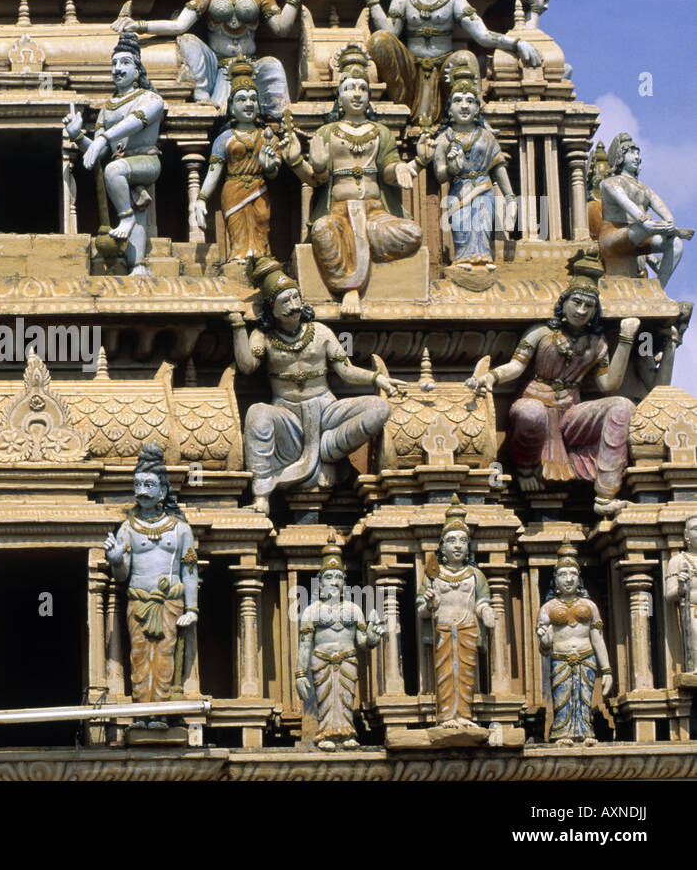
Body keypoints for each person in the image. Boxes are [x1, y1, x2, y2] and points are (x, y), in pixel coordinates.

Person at [468, 248, 637, 517]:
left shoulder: (597, 344)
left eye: (588, 306)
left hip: (571, 414)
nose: (581, 310)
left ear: (595, 311)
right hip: (535, 403)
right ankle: (524, 469)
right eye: (576, 303)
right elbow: (516, 366)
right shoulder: (541, 333)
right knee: (531, 413)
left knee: (622, 407)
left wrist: (627, 340)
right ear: (564, 302)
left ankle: (605, 496)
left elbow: (608, 386)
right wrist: (491, 376)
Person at [229, 260, 403, 516]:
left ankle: (327, 450)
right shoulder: (263, 337)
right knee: (256, 413)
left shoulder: (321, 332)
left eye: (295, 297)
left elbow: (346, 371)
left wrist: (378, 379)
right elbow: (246, 366)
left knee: (379, 408)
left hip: (326, 411)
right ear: (271, 310)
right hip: (287, 417)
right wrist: (237, 327)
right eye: (284, 302)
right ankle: (262, 494)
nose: (294, 306)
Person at [280, 44, 426, 316]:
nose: (356, 94)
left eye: (362, 88)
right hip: (337, 213)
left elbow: (389, 168)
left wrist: (411, 166)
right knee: (322, 231)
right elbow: (316, 179)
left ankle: (359, 242)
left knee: (412, 233)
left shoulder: (381, 132)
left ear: (370, 96)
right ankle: (349, 287)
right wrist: (296, 161)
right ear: (339, 95)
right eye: (350, 88)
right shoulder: (327, 132)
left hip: (374, 214)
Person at [115, 0, 300, 119]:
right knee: (188, 40)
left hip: (251, 66)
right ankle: (202, 94)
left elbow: (281, 29)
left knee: (273, 65)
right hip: (219, 67)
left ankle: (283, 122)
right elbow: (179, 26)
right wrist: (139, 26)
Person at [362, 0, 541, 128]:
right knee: (379, 40)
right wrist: (373, 2)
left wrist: (517, 43)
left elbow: (482, 35)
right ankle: (397, 104)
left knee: (465, 57)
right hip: (410, 73)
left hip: (444, 72)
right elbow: (390, 32)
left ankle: (475, 117)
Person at [104, 443, 198, 727]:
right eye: (138, 484)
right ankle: (141, 712)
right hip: (139, 601)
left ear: (163, 491)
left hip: (170, 602)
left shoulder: (180, 529)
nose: (142, 490)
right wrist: (116, 559)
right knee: (139, 655)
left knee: (165, 654)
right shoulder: (128, 528)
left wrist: (192, 608)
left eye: (149, 484)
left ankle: (161, 712)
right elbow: (122, 576)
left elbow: (189, 569)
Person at [63, 33, 165, 274]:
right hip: (122, 167)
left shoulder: (151, 99)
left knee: (114, 170)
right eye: (114, 64)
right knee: (136, 204)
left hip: (146, 160)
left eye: (125, 63)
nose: (117, 69)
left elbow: (134, 123)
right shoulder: (107, 109)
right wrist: (78, 136)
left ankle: (125, 217)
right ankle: (137, 264)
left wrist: (104, 139)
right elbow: (95, 152)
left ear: (138, 70)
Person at [416, 497, 495, 727]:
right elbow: (421, 611)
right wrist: (429, 603)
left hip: (468, 628)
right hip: (442, 629)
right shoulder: (433, 574)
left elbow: (481, 601)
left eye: (462, 541)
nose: (458, 545)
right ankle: (447, 716)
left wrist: (487, 612)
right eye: (451, 541)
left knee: (466, 674)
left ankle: (464, 715)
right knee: (445, 674)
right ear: (442, 546)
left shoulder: (475, 575)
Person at [295, 550, 384, 750]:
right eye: (329, 577)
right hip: (322, 661)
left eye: (338, 577)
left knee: (345, 698)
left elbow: (362, 642)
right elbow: (305, 644)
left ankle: (346, 734)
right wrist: (300, 674)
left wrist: (372, 638)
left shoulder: (354, 609)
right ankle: (325, 733)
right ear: (320, 583)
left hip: (347, 660)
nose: (334, 582)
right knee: (325, 699)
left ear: (344, 582)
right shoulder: (312, 610)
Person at [194, 59, 279, 265]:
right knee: (238, 236)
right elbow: (214, 172)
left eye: (253, 99)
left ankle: (261, 262)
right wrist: (201, 199)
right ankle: (238, 262)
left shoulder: (268, 137)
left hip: (260, 188)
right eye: (241, 100)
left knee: (261, 226)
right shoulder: (224, 139)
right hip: (233, 190)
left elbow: (273, 172)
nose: (248, 104)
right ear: (231, 107)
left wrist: (269, 166)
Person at [433, 69, 515, 270]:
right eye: (458, 101)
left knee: (483, 223)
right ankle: (462, 258)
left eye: (470, 101)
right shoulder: (444, 139)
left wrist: (510, 198)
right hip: (459, 190)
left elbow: (498, 167)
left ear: (477, 109)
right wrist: (452, 169)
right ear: (449, 110)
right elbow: (439, 175)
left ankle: (483, 258)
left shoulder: (486, 137)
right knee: (461, 224)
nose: (464, 106)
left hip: (483, 188)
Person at [536, 546, 612, 745]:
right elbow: (543, 649)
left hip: (586, 658)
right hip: (560, 660)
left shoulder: (589, 606)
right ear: (555, 580)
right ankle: (562, 733)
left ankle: (585, 732)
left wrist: (607, 671)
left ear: (579, 578)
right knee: (562, 699)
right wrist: (546, 639)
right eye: (563, 574)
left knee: (585, 698)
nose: (568, 579)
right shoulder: (548, 608)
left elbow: (597, 639)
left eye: (573, 574)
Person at [596, 133, 690, 288]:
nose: (637, 157)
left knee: (675, 243)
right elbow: (628, 205)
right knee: (643, 227)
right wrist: (654, 225)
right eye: (632, 153)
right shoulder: (610, 183)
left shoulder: (644, 189)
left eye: (638, 153)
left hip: (638, 235)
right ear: (620, 156)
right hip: (612, 238)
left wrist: (672, 228)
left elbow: (667, 216)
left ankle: (658, 288)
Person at [663, 515, 697, 674]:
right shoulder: (677, 561)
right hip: (693, 611)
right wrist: (681, 589)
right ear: (686, 535)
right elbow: (669, 595)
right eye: (695, 529)